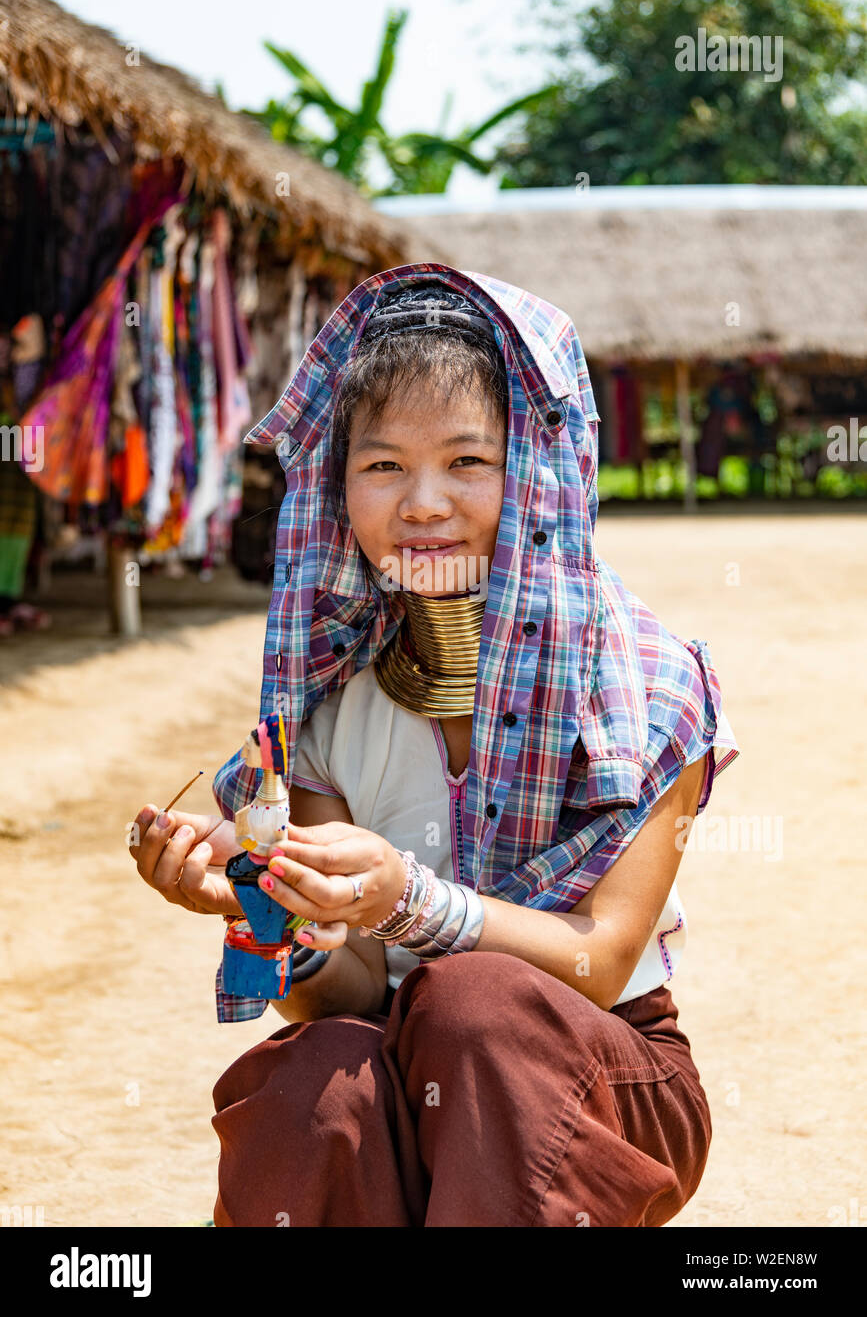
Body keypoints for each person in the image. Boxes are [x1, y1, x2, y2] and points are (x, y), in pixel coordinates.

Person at [131, 266, 738, 1227]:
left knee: (471, 1003)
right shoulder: (330, 717)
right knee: (310, 1077)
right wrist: (274, 909)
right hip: (406, 1069)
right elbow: (356, 990)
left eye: (468, 462)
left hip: (606, 1085)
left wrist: (407, 899)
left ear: (540, 475)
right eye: (381, 467)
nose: (421, 503)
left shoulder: (648, 691)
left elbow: (607, 960)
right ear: (337, 490)